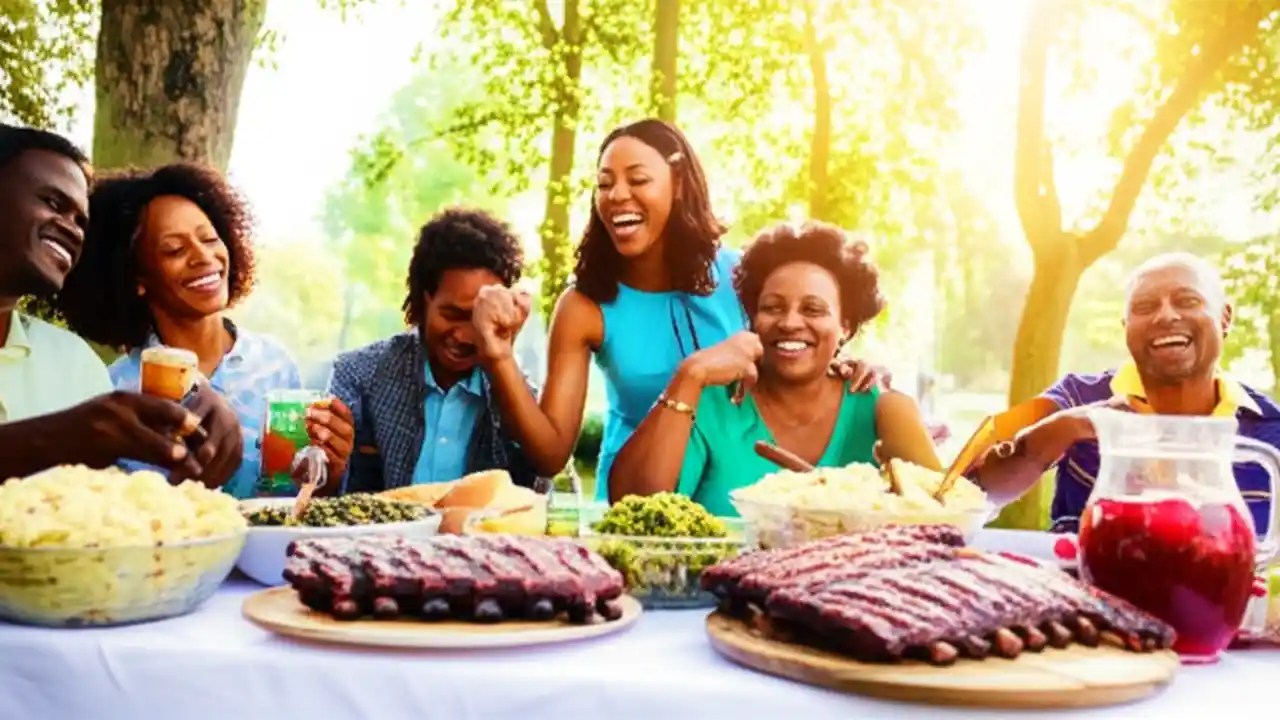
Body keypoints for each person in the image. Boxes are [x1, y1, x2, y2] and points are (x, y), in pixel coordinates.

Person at [471, 119, 882, 499]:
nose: (617, 195)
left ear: (679, 183)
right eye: (604, 183)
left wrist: (842, 365)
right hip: (639, 500)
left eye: (638, 179)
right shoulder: (584, 304)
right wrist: (499, 357)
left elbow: (794, 347)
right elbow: (550, 453)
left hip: (735, 492)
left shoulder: (742, 276)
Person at [56, 163, 353, 498]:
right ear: (137, 279)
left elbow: (296, 495)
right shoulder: (117, 390)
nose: (204, 257)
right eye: (175, 250)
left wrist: (327, 469)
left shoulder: (274, 365)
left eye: (210, 239)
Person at [606, 221, 941, 514]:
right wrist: (690, 374)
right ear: (752, 318)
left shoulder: (881, 411)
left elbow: (944, 519)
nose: (790, 322)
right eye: (772, 307)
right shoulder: (711, 404)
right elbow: (632, 507)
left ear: (846, 327)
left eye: (813, 309)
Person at [0, 123, 241, 483]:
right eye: (53, 203)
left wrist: (192, 431)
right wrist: (50, 439)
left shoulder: (73, 362)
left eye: (81, 220)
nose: (72, 228)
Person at [975, 252, 1280, 533]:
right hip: (1079, 587)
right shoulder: (1078, 395)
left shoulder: (1270, 430)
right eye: (1145, 307)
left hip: (1217, 590)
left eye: (1187, 301)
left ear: (1225, 318)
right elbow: (974, 487)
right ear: (1126, 327)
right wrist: (1065, 428)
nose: (1165, 316)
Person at [328, 207, 539, 493]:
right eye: (452, 314)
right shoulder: (361, 375)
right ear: (423, 300)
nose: (465, 336)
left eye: (478, 319)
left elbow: (539, 494)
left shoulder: (515, 399)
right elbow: (326, 494)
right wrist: (329, 469)